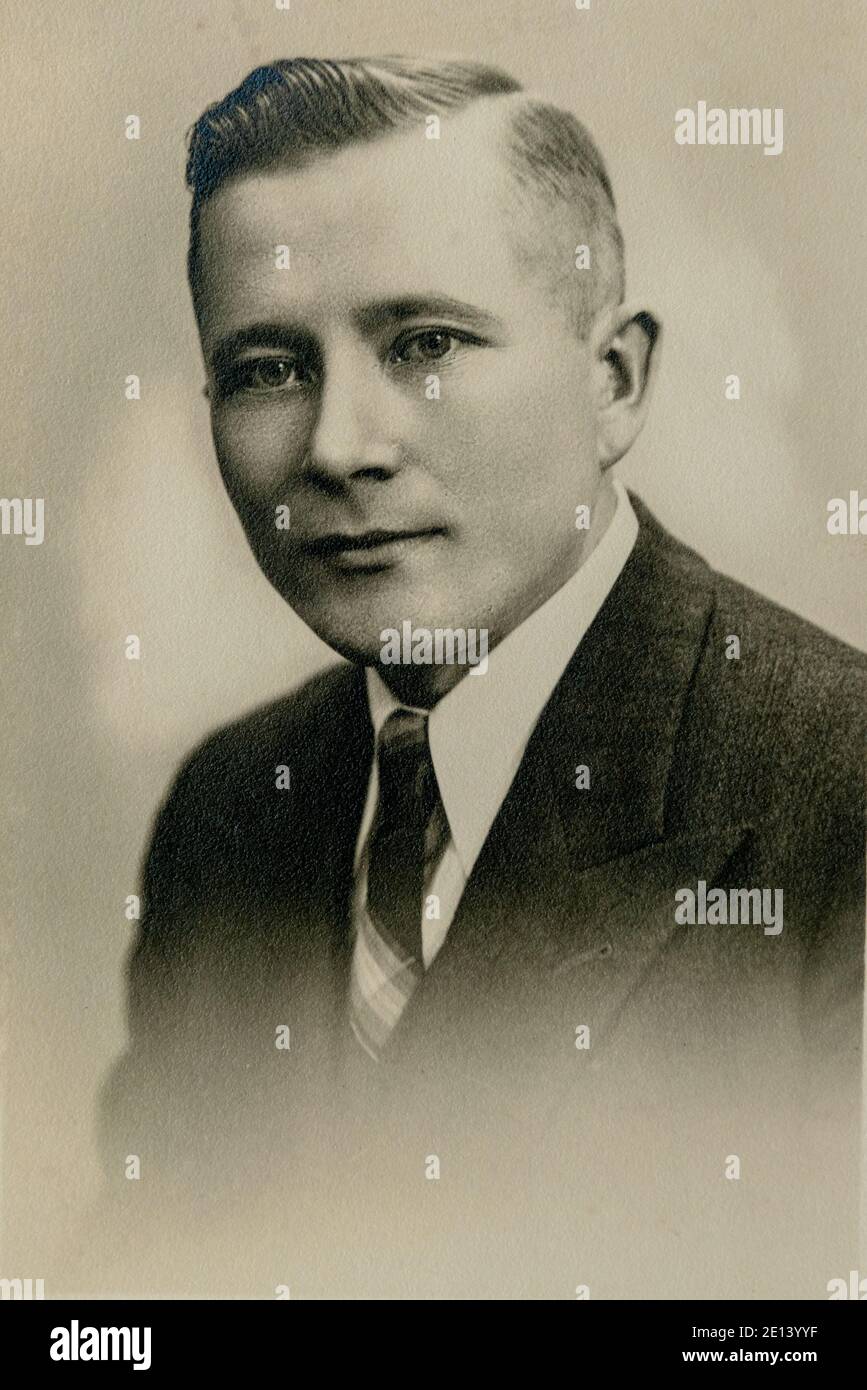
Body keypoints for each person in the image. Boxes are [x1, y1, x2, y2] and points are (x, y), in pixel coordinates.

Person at [97, 57, 864, 1299]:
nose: (341, 447)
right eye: (268, 370)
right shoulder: (228, 811)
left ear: (615, 383)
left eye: (427, 342)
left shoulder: (840, 791)